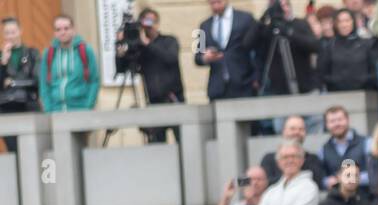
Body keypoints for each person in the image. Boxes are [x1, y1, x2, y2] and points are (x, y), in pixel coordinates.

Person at [114, 7, 184, 142]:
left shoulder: (169, 41)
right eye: (144, 23)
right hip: (154, 103)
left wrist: (147, 43)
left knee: (182, 144)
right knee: (157, 146)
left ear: (157, 23)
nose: (147, 27)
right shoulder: (139, 48)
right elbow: (123, 69)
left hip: (174, 100)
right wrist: (120, 51)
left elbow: (170, 58)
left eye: (150, 22)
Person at [250, 0, 321, 96]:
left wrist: (288, 32)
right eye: (279, 6)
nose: (283, 9)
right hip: (277, 89)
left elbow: (314, 46)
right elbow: (248, 43)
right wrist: (263, 19)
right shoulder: (269, 29)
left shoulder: (300, 24)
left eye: (286, 5)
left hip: (303, 85)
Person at [196, 0, 259, 101]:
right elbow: (198, 56)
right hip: (218, 89)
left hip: (244, 86)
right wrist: (205, 57)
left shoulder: (245, 19)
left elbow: (257, 49)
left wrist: (256, 78)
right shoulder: (204, 26)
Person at [38, 15, 99, 112]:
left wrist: (88, 106)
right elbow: (44, 84)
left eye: (66, 28)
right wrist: (48, 109)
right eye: (58, 29)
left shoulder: (85, 50)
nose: (63, 32)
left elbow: (94, 81)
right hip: (55, 110)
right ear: (54, 33)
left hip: (80, 109)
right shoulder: (48, 53)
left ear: (73, 30)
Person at [319, 7, 378, 91]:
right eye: (340, 21)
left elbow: (373, 72)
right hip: (337, 94)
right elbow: (323, 73)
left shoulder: (366, 44)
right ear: (335, 24)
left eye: (347, 20)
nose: (344, 25)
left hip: (363, 92)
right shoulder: (329, 47)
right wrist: (337, 82)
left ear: (353, 22)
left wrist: (361, 80)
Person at [0, 18, 40, 147]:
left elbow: (36, 80)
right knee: (13, 148)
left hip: (27, 105)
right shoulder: (1, 56)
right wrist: (3, 63)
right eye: (7, 32)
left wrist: (13, 83)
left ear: (20, 31)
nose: (10, 36)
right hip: (6, 108)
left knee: (31, 148)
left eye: (13, 31)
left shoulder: (32, 53)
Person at [260, 115, 329, 187]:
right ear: (284, 131)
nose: (297, 132)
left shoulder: (313, 159)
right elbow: (265, 184)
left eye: (301, 129)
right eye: (292, 129)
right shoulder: (269, 159)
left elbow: (317, 183)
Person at [321, 105, 371, 188]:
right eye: (332, 121)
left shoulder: (367, 143)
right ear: (326, 125)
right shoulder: (323, 150)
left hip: (365, 197)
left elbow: (374, 174)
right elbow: (323, 179)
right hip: (337, 199)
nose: (337, 124)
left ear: (347, 120)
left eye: (340, 119)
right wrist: (329, 181)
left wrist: (348, 178)